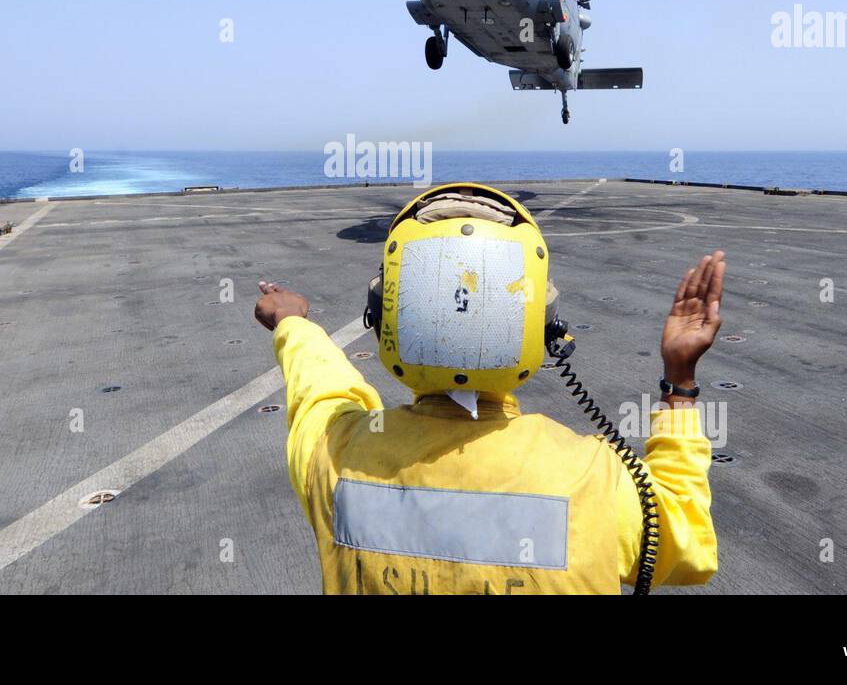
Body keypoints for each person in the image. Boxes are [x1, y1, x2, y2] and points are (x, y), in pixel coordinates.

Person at [253, 182, 724, 594]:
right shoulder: (595, 478)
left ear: (382, 320)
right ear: (542, 330)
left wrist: (291, 321)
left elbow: (320, 387)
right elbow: (686, 545)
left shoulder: (335, 456)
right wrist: (679, 383)